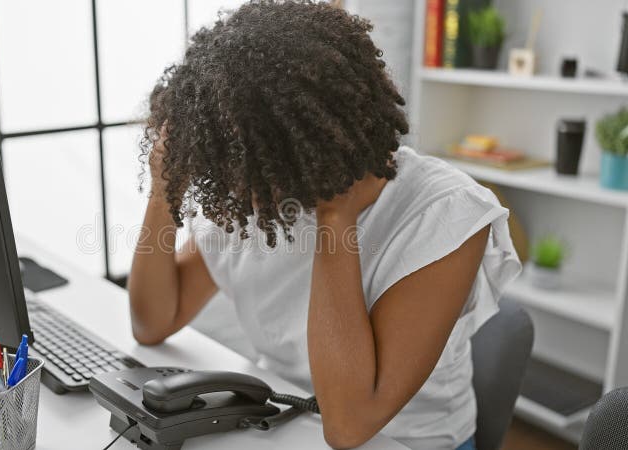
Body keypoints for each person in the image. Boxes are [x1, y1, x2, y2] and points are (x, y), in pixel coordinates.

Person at [127, 2, 520, 449]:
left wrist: (336, 217)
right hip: (287, 427)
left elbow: (349, 424)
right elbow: (153, 322)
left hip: (409, 442)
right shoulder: (259, 199)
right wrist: (164, 187)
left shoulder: (446, 214)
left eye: (246, 165)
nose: (239, 192)